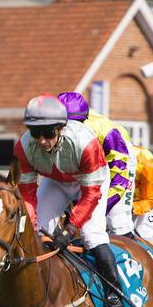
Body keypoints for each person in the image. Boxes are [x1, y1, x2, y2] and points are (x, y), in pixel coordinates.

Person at [13, 94, 131, 307]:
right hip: (55, 180)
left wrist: (69, 229)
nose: (42, 140)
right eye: (36, 133)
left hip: (90, 183)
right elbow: (26, 194)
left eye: (48, 133)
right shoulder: (23, 147)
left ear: (61, 128)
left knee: (91, 234)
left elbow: (90, 196)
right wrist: (34, 226)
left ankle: (114, 296)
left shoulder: (85, 144)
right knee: (41, 229)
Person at [60, 92, 137, 238]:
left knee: (117, 221)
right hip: (87, 163)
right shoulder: (52, 132)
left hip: (118, 157)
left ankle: (137, 259)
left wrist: (97, 209)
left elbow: (119, 177)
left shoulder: (105, 131)